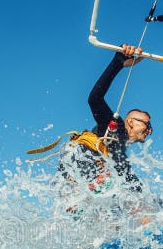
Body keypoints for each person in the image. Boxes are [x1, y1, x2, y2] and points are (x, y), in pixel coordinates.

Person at [57, 44, 154, 219]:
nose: (149, 130)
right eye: (147, 125)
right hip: (78, 162)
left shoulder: (119, 148)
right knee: (117, 196)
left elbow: (128, 176)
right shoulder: (115, 126)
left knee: (112, 206)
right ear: (131, 122)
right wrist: (118, 61)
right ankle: (145, 222)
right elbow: (94, 98)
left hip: (75, 174)